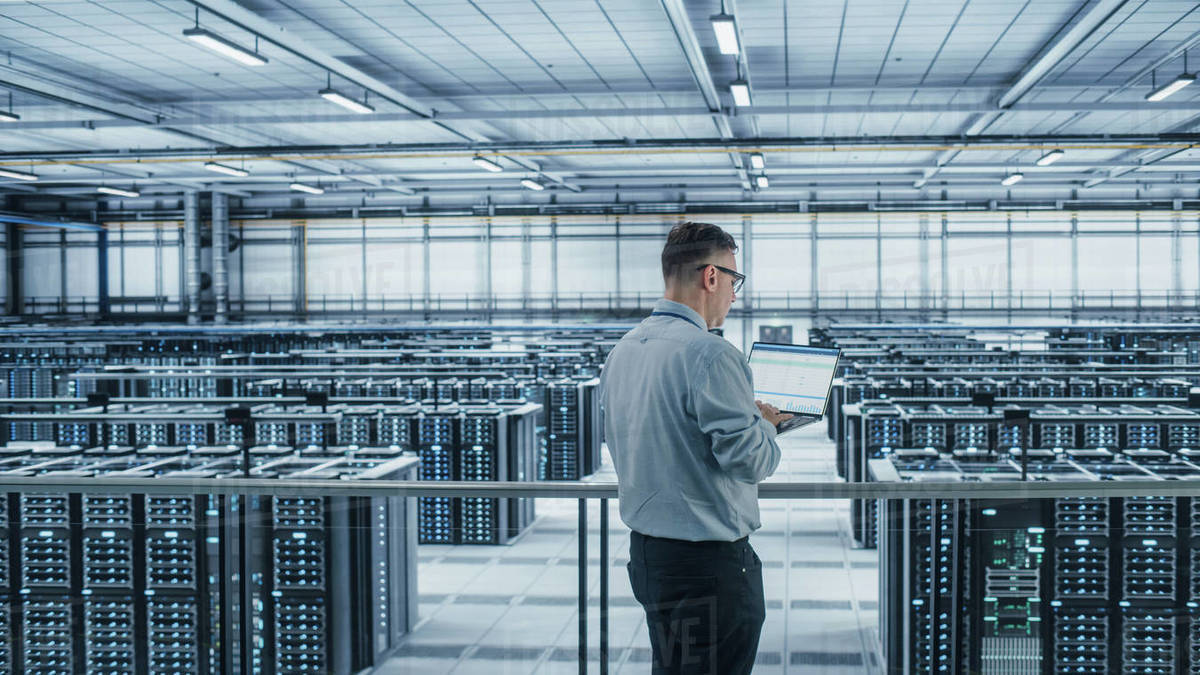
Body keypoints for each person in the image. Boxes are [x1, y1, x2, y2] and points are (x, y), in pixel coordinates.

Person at [599, 221, 793, 674]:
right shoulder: (712, 354)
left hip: (650, 559)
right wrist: (765, 425)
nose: (733, 296)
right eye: (733, 281)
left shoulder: (624, 350)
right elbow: (751, 461)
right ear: (711, 277)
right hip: (709, 567)